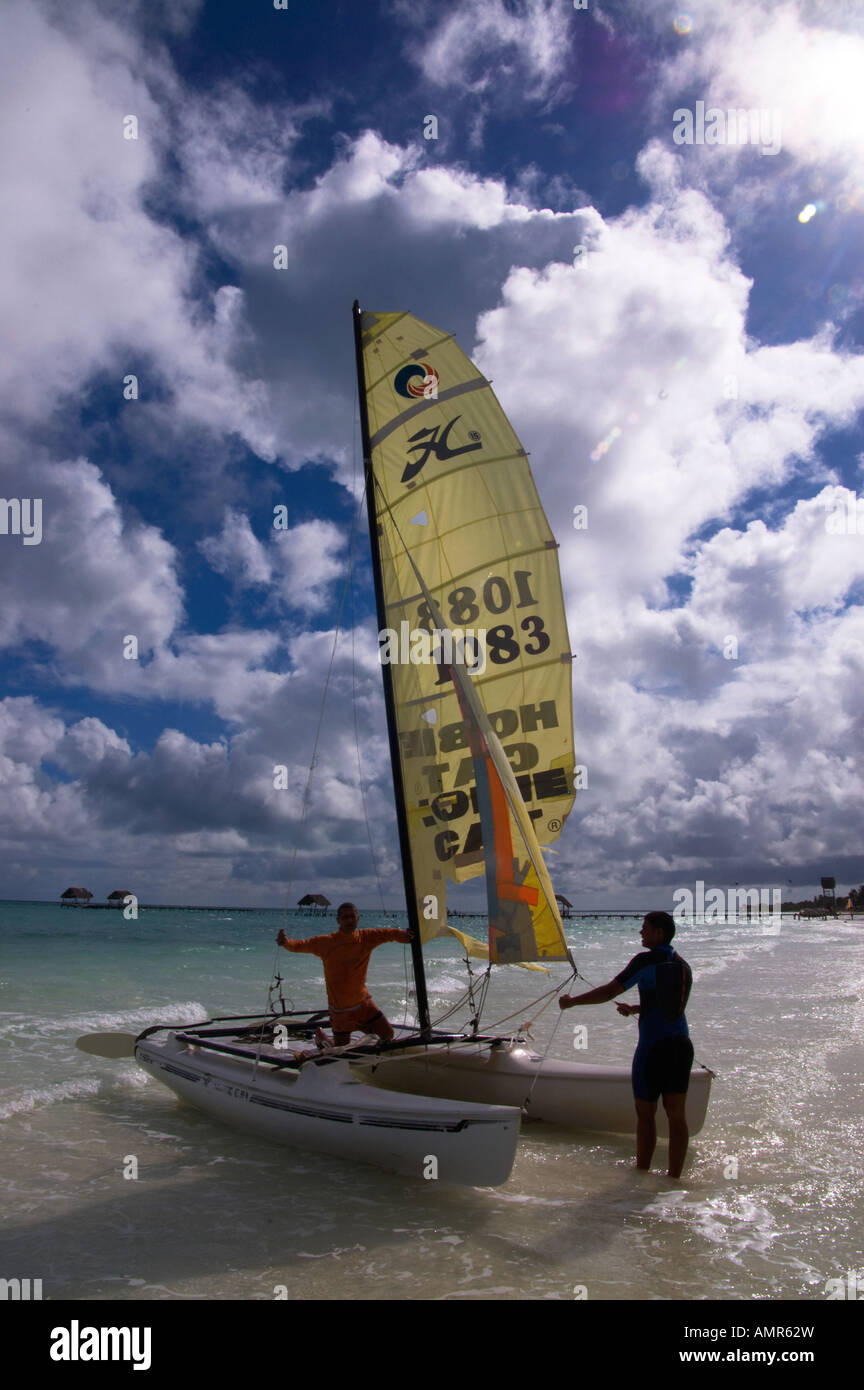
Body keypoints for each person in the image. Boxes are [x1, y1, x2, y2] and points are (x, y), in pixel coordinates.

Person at [558, 911, 693, 1178]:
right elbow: (670, 1008)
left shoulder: (645, 961)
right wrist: (637, 1009)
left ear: (659, 933)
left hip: (652, 1051)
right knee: (677, 1116)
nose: (640, 932)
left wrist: (573, 1002)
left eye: (645, 928)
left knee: (646, 1115)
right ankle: (674, 1180)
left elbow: (609, 991)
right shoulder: (682, 965)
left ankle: (641, 1177)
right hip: (680, 1048)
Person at [277, 902, 413, 1049]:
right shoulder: (326, 942)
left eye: (352, 917)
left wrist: (406, 936)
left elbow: (388, 934)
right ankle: (321, 1038)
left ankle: (361, 1029)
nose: (349, 920)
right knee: (340, 1051)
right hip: (340, 1011)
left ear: (358, 919)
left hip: (363, 1004)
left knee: (388, 1035)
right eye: (345, 917)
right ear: (338, 920)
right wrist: (285, 942)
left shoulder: (366, 937)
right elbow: (299, 945)